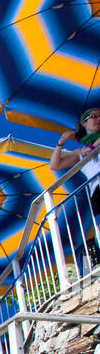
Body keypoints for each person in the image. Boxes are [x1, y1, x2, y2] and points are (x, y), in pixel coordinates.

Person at [50, 109, 100, 266]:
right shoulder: (80, 152)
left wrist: (92, 147)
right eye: (94, 116)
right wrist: (61, 142)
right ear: (84, 122)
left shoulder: (88, 148)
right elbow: (55, 165)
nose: (98, 118)